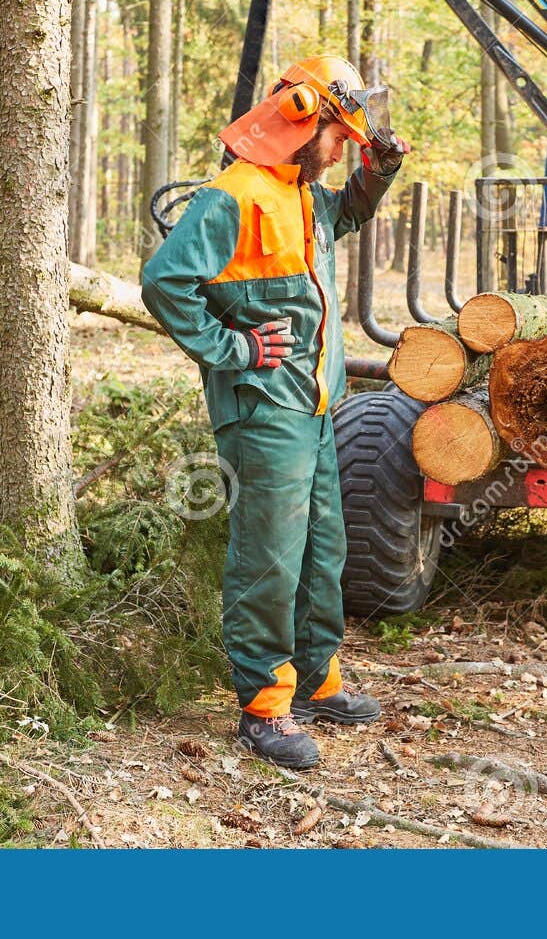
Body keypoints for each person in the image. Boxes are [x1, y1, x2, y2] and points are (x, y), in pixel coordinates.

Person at [141, 55, 407, 769]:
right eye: (339, 136)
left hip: (315, 404)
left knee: (324, 551)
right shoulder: (233, 197)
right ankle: (262, 707)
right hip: (264, 410)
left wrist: (377, 172)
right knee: (270, 558)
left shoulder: (298, 192)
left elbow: (345, 213)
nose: (344, 147)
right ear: (303, 120)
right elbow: (164, 283)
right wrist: (232, 346)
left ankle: (317, 679)